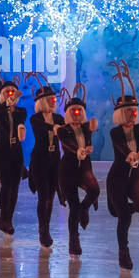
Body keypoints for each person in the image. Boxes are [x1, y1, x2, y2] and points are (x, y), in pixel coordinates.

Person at [106, 61, 139, 271]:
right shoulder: (115, 132)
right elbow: (123, 150)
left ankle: (122, 207)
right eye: (129, 112)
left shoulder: (138, 129)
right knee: (124, 218)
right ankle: (123, 252)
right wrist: (132, 154)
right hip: (118, 177)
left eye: (134, 112)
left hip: (135, 176)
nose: (133, 116)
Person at [55, 84, 100, 258]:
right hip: (67, 169)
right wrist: (78, 151)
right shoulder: (63, 129)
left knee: (94, 190)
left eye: (79, 110)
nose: (76, 113)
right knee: (73, 206)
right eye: (73, 110)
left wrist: (87, 148)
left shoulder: (86, 127)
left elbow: (93, 125)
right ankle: (74, 240)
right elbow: (67, 143)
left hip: (85, 168)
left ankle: (85, 208)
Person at [27, 74, 64, 248]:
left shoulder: (59, 119)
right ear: (42, 101)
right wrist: (53, 128)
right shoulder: (35, 119)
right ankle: (43, 230)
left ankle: (46, 227)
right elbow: (41, 128)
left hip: (54, 160)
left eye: (53, 98)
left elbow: (65, 133)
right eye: (49, 99)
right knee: (44, 197)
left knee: (51, 196)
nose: (52, 101)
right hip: (40, 160)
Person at [0, 77, 28, 236]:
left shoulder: (21, 111)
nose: (10, 95)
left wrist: (13, 105)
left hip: (16, 153)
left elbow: (21, 119)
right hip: (1, 152)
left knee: (15, 187)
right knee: (6, 185)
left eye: (12, 93)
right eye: (7, 93)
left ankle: (9, 218)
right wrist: (7, 103)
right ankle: (3, 218)